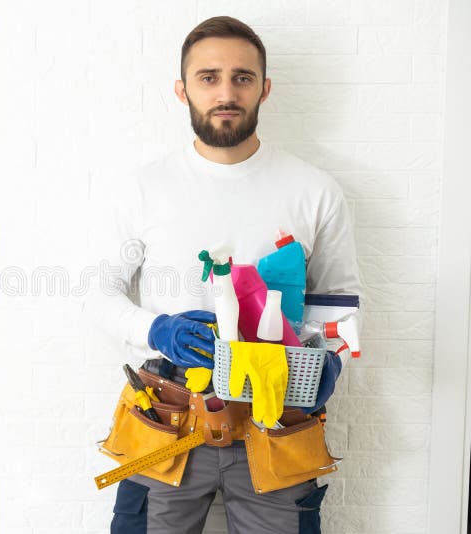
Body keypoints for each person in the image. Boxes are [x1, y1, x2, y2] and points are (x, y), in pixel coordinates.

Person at [84, 16, 362, 534]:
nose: (226, 91)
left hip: (278, 420)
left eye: (242, 77)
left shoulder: (314, 191)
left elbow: (340, 303)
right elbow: (96, 294)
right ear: (182, 89)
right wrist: (158, 330)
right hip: (166, 417)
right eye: (208, 77)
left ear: (265, 88)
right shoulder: (143, 189)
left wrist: (331, 360)